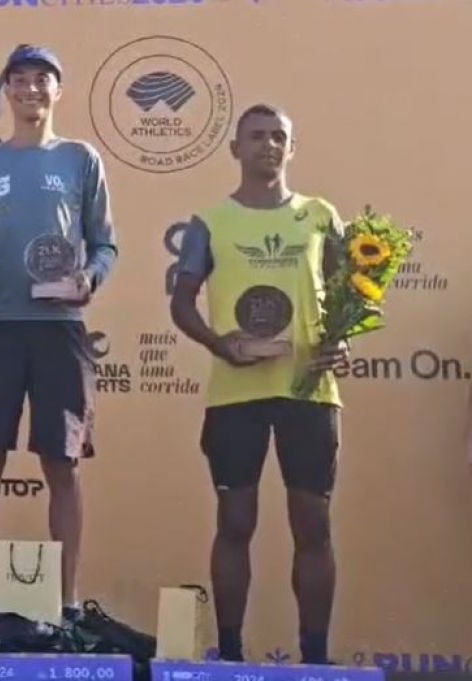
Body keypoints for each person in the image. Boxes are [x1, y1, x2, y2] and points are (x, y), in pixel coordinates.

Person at [0, 45, 117, 635]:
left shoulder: (80, 158)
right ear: (7, 90)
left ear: (57, 90)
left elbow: (105, 244)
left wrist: (89, 279)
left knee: (62, 465)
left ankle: (67, 607)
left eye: (42, 79)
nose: (30, 89)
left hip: (59, 328)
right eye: (19, 79)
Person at [169, 104, 349, 664]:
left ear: (292, 148)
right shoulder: (210, 222)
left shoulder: (321, 216)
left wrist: (341, 341)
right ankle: (229, 656)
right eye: (256, 136)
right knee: (235, 522)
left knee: (313, 526)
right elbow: (181, 303)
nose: (268, 145)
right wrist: (218, 343)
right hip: (235, 393)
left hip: (308, 392)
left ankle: (315, 660)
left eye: (278, 136)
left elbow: (351, 296)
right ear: (235, 148)